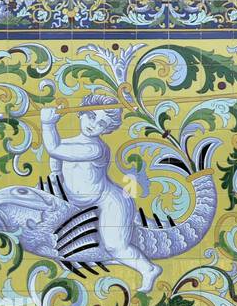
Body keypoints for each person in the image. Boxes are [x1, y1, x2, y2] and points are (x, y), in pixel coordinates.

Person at [40, 95, 160, 291]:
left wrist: (47, 123)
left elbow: (54, 149)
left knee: (115, 246)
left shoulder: (94, 148)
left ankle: (148, 269)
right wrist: (56, 177)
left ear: (106, 129)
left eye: (101, 123)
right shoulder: (70, 144)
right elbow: (56, 163)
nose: (93, 124)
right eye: (91, 115)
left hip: (110, 201)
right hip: (80, 203)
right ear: (80, 113)